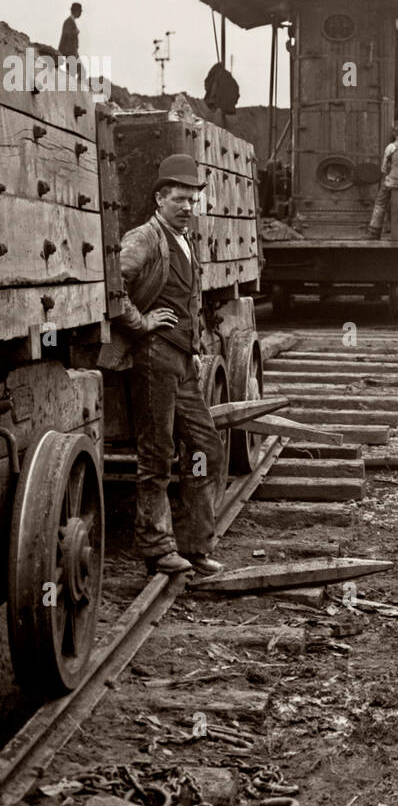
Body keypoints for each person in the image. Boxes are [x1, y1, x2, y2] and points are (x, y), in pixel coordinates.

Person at [97, 155, 225, 577]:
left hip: (182, 360)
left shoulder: (187, 238)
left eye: (192, 200)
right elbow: (115, 287)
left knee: (206, 446)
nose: (187, 207)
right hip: (154, 357)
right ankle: (155, 547)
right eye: (178, 199)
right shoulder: (145, 238)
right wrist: (142, 322)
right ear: (159, 199)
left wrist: (196, 344)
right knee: (156, 455)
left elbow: (190, 298)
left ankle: (194, 545)